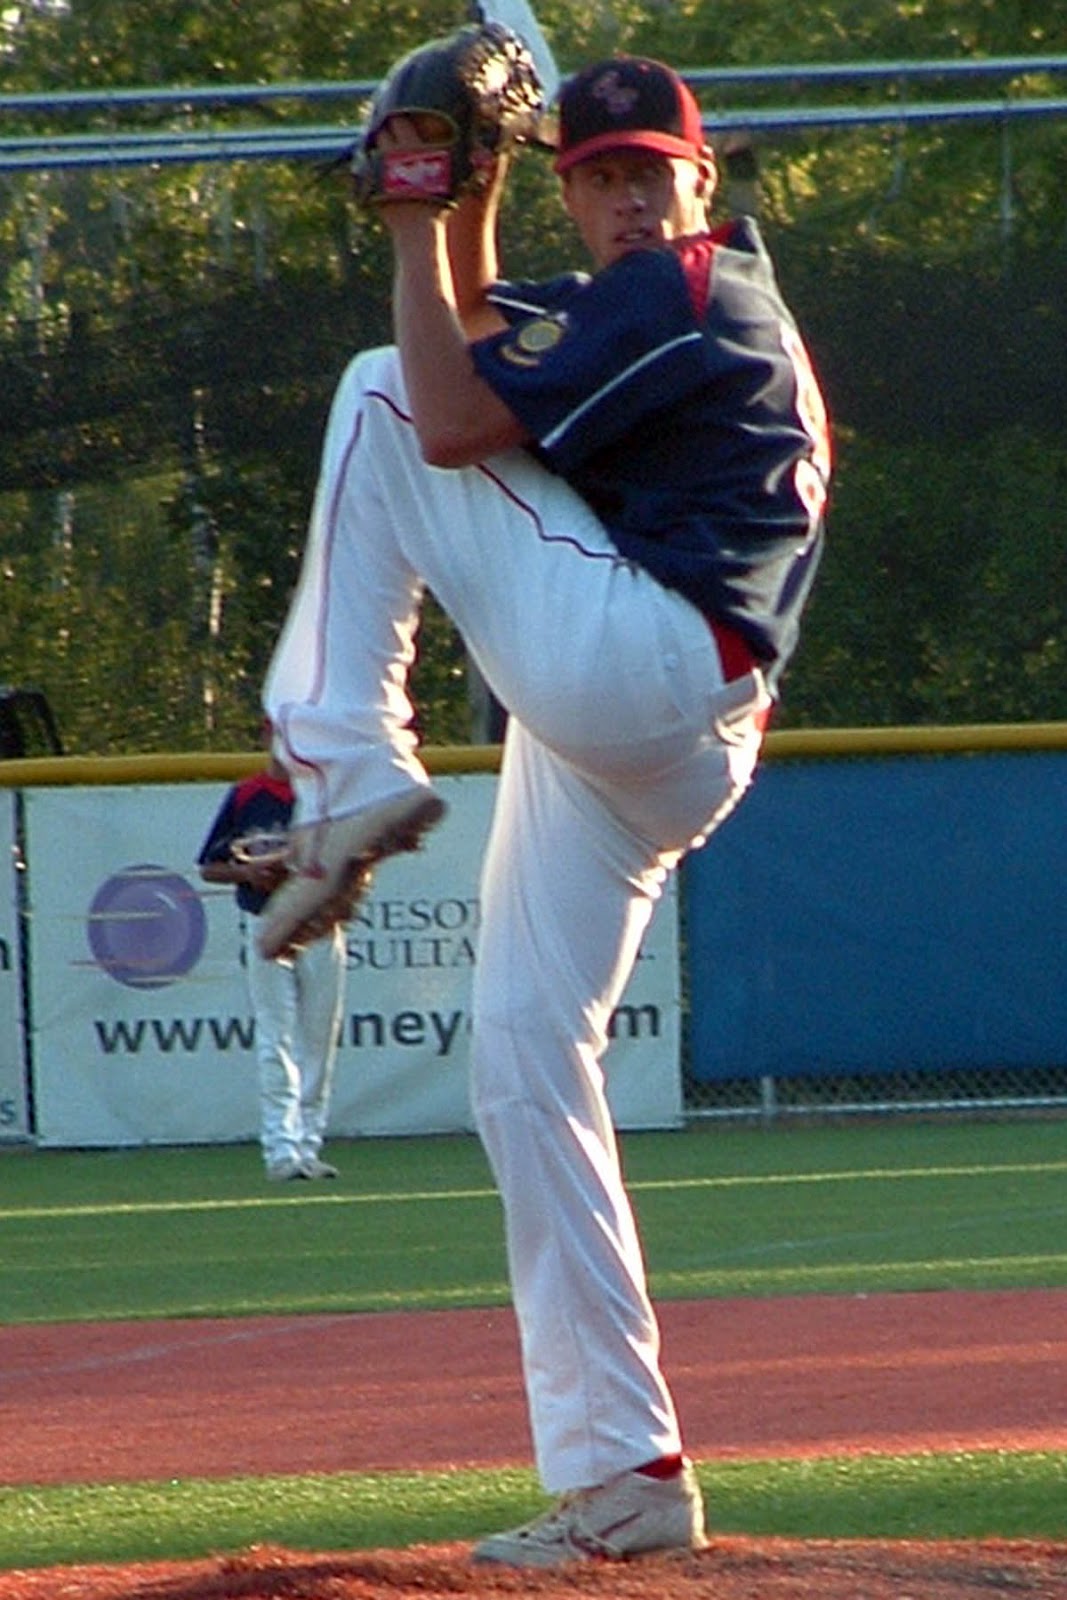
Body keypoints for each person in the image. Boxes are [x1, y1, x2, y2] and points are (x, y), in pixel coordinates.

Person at [259, 52, 831, 1564]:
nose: (632, 197)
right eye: (600, 175)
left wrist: (410, 215)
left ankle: (345, 760)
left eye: (653, 170)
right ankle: (625, 1473)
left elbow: (443, 413)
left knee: (377, 395)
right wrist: (476, 189)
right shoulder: (631, 310)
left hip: (639, 663)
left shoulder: (686, 290)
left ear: (702, 183)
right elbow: (487, 350)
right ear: (574, 195)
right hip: (645, 725)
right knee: (520, 1059)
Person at [197, 722, 347, 1182]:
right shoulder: (247, 795)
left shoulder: (323, 794)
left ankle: (307, 1144)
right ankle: (281, 1150)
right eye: (281, 737)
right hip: (266, 922)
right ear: (266, 738)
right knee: (276, 1037)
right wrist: (248, 875)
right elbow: (209, 866)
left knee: (319, 1038)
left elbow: (352, 856)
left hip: (320, 922)